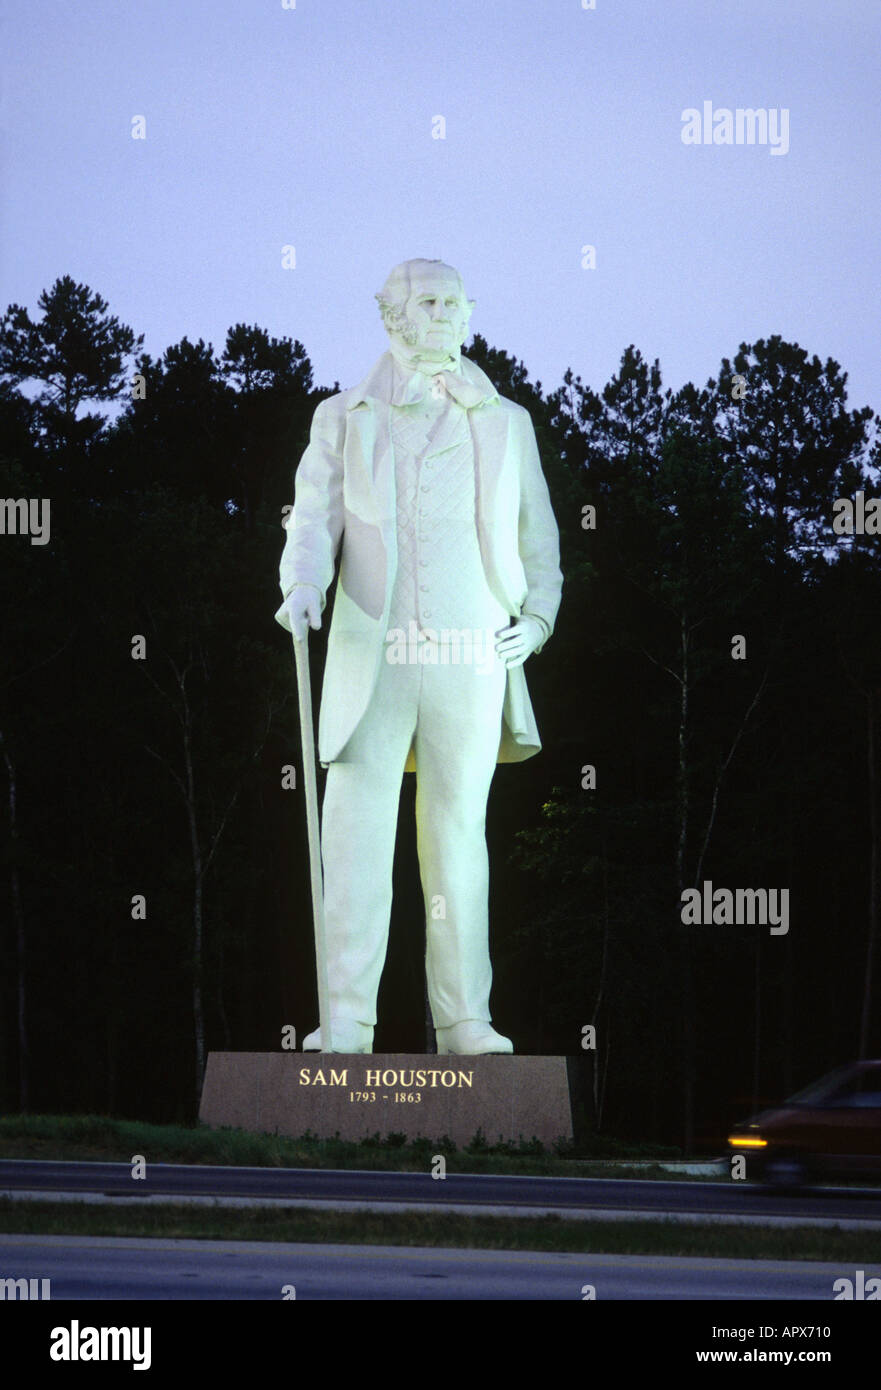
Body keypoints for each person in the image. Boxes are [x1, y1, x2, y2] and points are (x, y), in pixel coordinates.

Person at [276, 258, 562, 1054]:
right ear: (391, 315)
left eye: (454, 301)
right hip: (374, 649)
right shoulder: (342, 415)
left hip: (472, 652)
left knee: (457, 837)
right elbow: (311, 517)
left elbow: (539, 536)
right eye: (427, 301)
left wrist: (536, 619)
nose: (443, 312)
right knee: (356, 837)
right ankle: (345, 1020)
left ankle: (466, 1019)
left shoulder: (505, 420)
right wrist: (302, 584)